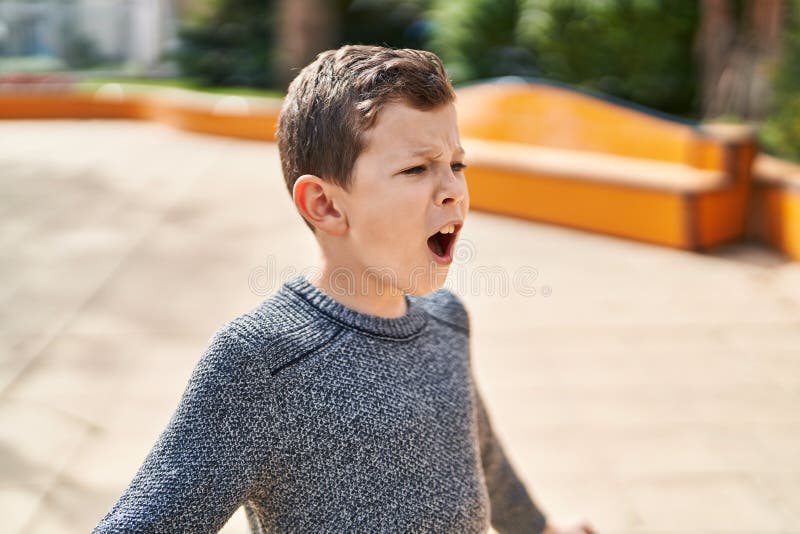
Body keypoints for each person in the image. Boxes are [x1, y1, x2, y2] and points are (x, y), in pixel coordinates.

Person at [93, 44, 597, 534]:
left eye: (456, 164)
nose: (453, 189)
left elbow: (479, 452)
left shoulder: (446, 320)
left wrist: (541, 529)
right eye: (417, 168)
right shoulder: (261, 361)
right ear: (326, 206)